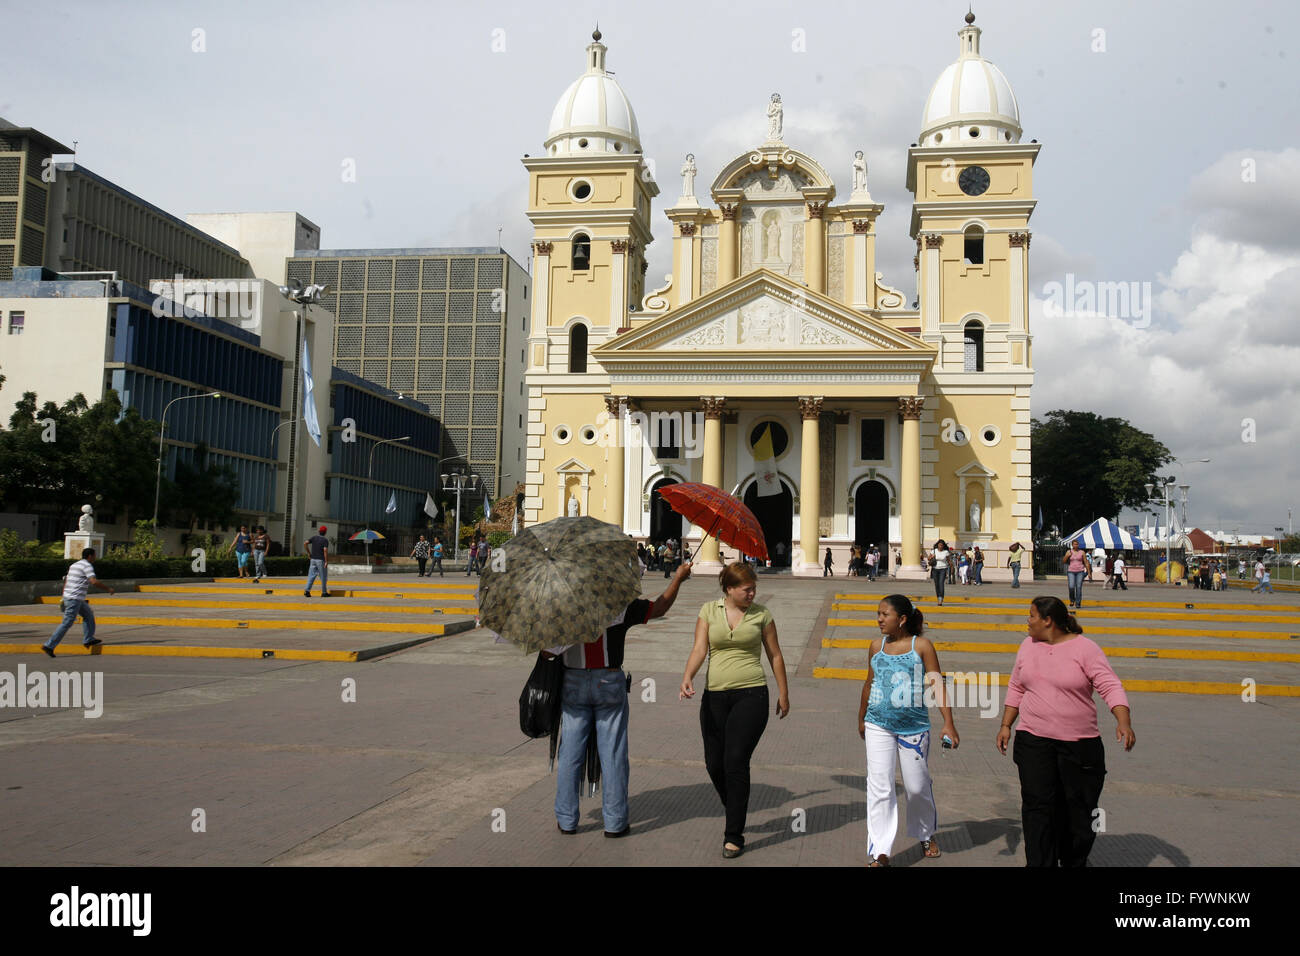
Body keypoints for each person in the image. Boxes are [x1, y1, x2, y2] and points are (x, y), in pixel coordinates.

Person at [551, 560, 694, 837]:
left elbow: (547, 653)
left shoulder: (561, 604)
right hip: (609, 681)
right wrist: (678, 578)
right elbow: (660, 607)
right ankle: (615, 823)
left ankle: (567, 820)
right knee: (613, 753)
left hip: (573, 682)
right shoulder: (618, 601)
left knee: (570, 753)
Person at [997, 596, 1135, 867]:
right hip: (1033, 741)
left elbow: (1109, 685)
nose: (1028, 620)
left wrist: (1123, 721)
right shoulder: (1027, 646)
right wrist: (1006, 725)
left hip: (1080, 745)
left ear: (1048, 621)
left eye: (1032, 616)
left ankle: (1074, 859)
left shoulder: (1086, 649)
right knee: (1037, 806)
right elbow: (1016, 686)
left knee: (1079, 810)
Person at [680, 562, 790, 858]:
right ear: (729, 589)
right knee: (714, 763)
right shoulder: (708, 611)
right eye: (747, 589)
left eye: (754, 588)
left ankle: (734, 835)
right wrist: (688, 675)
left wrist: (784, 692)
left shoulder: (762, 615)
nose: (752, 593)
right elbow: (699, 649)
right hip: (714, 696)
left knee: (735, 760)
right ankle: (736, 806)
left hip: (751, 695)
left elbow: (775, 655)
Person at [857, 594, 958, 866]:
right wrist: (861, 716)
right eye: (878, 614)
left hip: (914, 728)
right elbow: (869, 683)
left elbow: (937, 684)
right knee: (879, 787)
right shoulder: (875, 646)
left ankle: (925, 833)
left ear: (901, 619)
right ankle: (880, 850)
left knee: (916, 787)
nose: (879, 619)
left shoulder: (922, 646)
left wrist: (948, 722)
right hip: (878, 723)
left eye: (884, 614)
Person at [43, 547, 115, 657]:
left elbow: (67, 580)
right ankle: (49, 645)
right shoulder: (87, 566)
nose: (95, 557)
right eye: (95, 555)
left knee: (88, 615)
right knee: (67, 623)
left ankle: (88, 639)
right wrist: (108, 589)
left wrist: (64, 595)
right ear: (90, 556)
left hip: (74, 598)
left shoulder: (74, 565)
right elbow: (93, 581)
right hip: (74, 599)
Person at [304, 525, 331, 597]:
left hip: (313, 560)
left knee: (311, 576)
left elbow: (305, 543)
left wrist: (309, 553)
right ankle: (324, 592)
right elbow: (325, 550)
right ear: (325, 532)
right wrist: (326, 561)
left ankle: (307, 591)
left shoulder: (314, 538)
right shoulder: (325, 540)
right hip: (320, 560)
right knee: (323, 577)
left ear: (319, 531)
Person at [1064, 540, 1088, 609]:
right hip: (1071, 571)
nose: (1076, 545)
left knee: (1079, 587)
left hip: (1080, 571)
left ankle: (1078, 603)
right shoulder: (1069, 552)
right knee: (1071, 586)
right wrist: (1067, 556)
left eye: (1077, 544)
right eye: (1074, 544)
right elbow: (1064, 561)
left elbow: (1086, 562)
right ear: (1072, 545)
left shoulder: (1082, 552)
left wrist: (1089, 572)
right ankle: (1072, 600)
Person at [930, 540, 950, 606]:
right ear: (937, 545)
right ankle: (938, 597)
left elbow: (948, 560)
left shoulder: (946, 552)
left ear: (943, 546)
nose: (940, 546)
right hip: (935, 569)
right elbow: (928, 558)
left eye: (942, 545)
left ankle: (940, 599)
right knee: (936, 584)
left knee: (941, 583)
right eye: (939, 545)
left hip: (943, 569)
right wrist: (931, 557)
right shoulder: (934, 551)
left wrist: (952, 567)